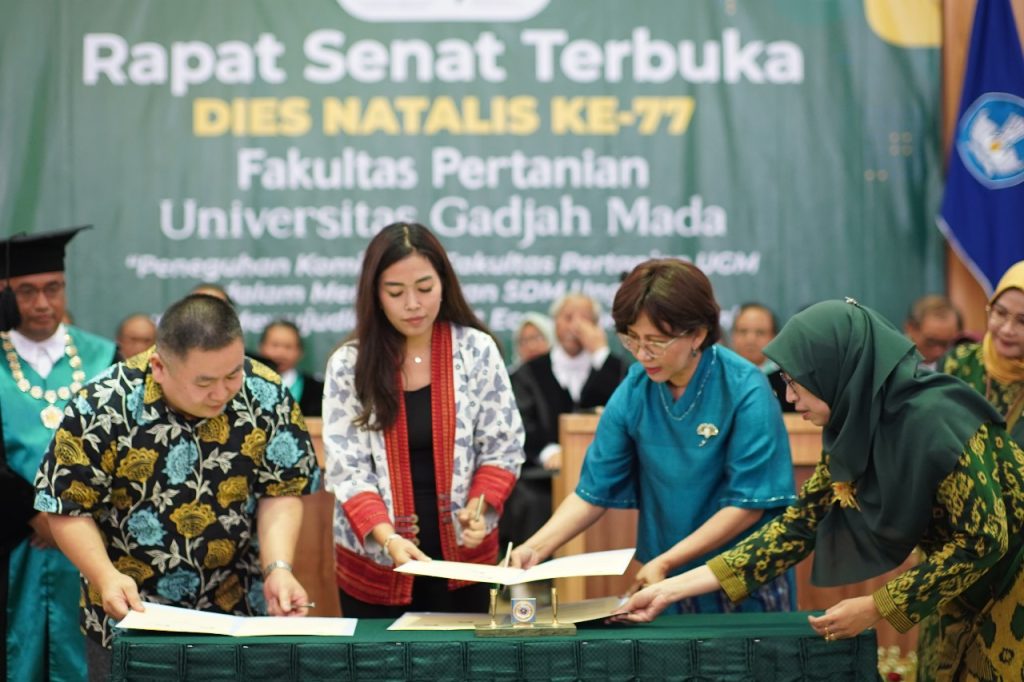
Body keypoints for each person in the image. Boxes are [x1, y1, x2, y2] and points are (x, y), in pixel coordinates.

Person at [615, 298, 1024, 681]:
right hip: (957, 591)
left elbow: (984, 540)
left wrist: (874, 607)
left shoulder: (937, 422)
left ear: (836, 373)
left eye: (796, 383)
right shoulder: (854, 428)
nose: (791, 399)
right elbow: (797, 527)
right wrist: (668, 588)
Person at [32, 294, 321, 682]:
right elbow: (67, 505)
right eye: (204, 382)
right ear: (159, 366)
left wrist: (278, 568)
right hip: (131, 614)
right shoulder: (104, 403)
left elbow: (281, 488)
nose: (222, 393)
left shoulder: (265, 392)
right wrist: (104, 577)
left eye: (232, 374)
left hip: (238, 610)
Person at [511, 259, 796, 613]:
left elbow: (746, 507)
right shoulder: (635, 387)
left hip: (739, 579)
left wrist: (667, 562)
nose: (642, 354)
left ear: (698, 333)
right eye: (632, 338)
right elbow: (592, 492)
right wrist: (535, 548)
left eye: (656, 341)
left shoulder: (744, 387)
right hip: (664, 577)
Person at [322, 222, 525, 617]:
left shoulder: (476, 350)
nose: (413, 304)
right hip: (380, 562)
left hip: (466, 562)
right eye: (396, 292)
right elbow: (348, 470)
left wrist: (479, 510)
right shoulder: (349, 363)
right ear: (375, 294)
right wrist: (387, 539)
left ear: (444, 284)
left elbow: (503, 445)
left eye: (425, 288)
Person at [0, 226, 116, 682]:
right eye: (26, 291)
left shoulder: (105, 357)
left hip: (91, 541)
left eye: (53, 288)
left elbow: (118, 454)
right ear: (6, 294)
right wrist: (37, 516)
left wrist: (70, 521)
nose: (42, 303)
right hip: (13, 541)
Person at [501, 294, 628, 548]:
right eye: (568, 318)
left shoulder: (614, 368)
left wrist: (600, 352)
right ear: (555, 323)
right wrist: (549, 452)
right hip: (542, 477)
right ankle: (530, 579)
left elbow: (621, 411)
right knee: (529, 501)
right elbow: (520, 421)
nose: (576, 326)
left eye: (585, 319)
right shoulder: (530, 371)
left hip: (601, 474)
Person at [729, 302, 795, 412]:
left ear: (774, 337)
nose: (750, 339)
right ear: (732, 335)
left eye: (760, 332)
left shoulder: (788, 381)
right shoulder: (718, 375)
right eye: (743, 331)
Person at [259, 320, 324, 417]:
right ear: (261, 347)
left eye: (288, 347)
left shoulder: (316, 390)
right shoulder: (245, 385)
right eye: (275, 345)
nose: (280, 353)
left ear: (300, 352)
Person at [904, 294, 963, 371]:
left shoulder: (960, 368)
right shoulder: (891, 366)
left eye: (946, 344)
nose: (938, 353)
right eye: (931, 342)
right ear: (911, 329)